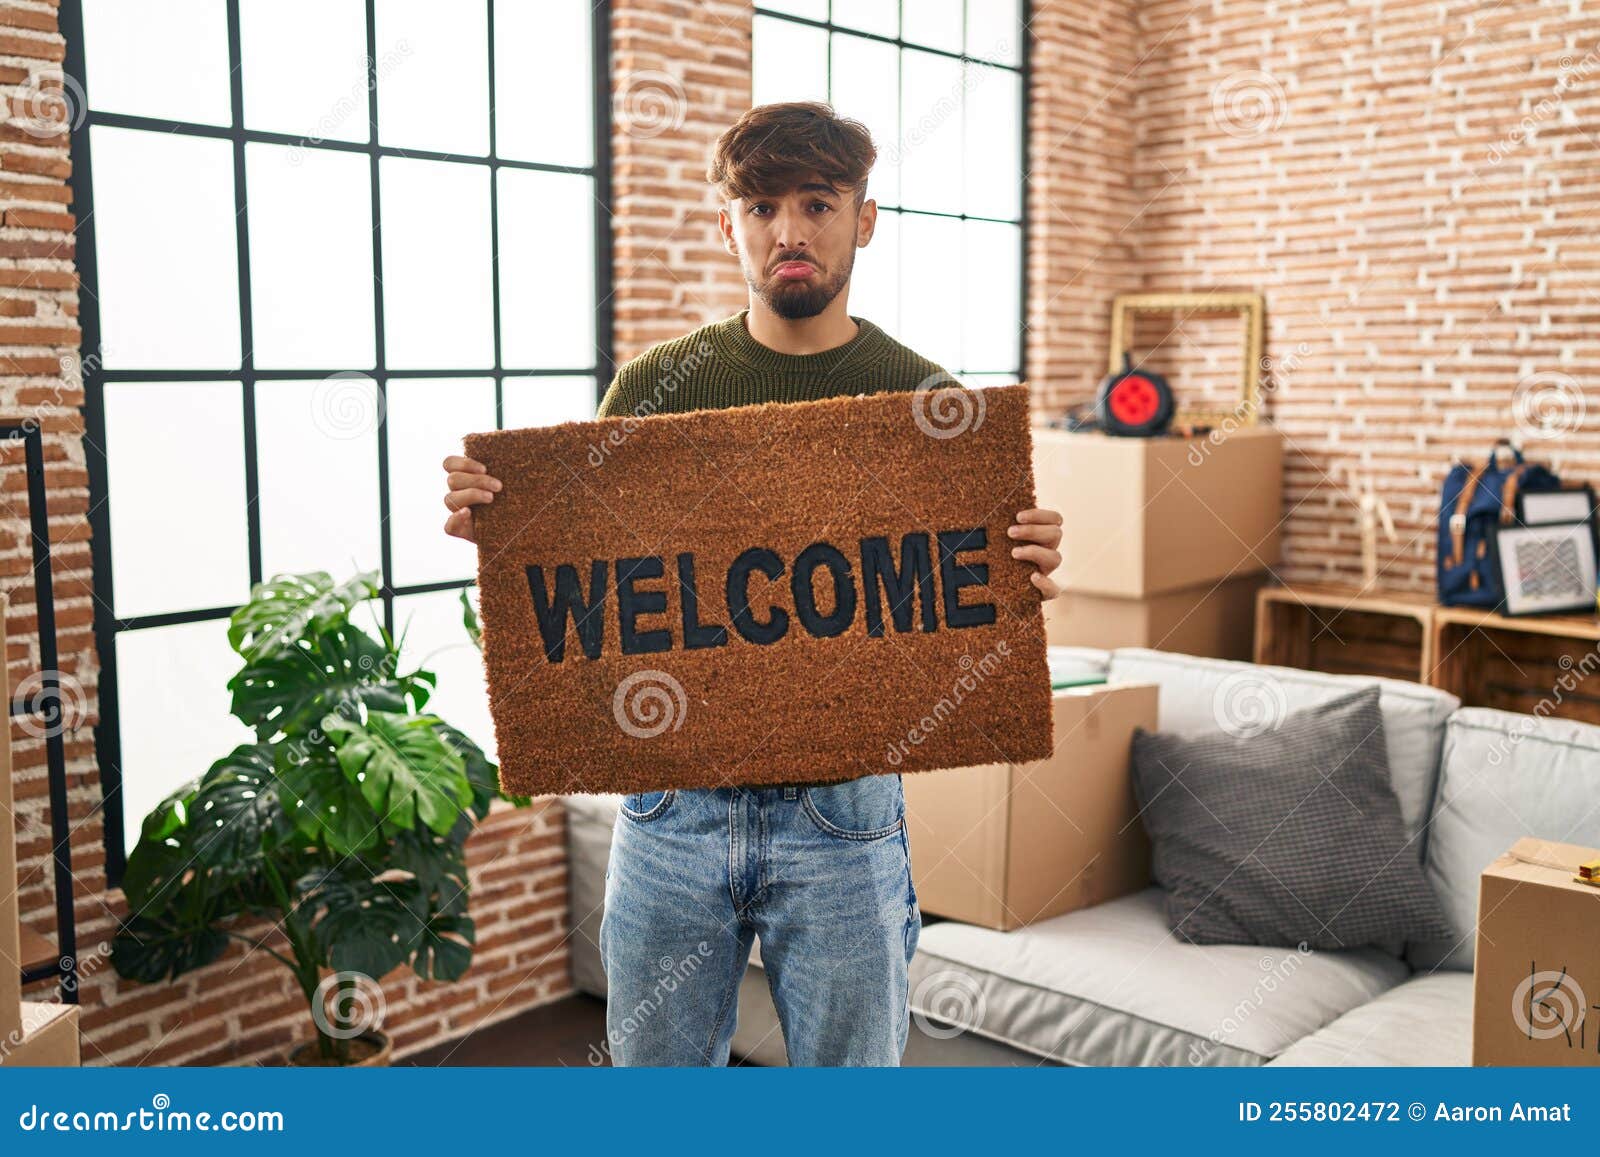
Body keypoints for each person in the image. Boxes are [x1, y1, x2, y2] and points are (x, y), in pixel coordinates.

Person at [441, 102, 1064, 1066]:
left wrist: (1018, 572)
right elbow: (600, 589)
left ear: (864, 219)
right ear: (727, 225)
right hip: (671, 808)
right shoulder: (657, 387)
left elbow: (946, 605)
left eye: (818, 203)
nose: (790, 232)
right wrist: (507, 537)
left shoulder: (929, 402)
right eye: (762, 207)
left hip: (843, 813)